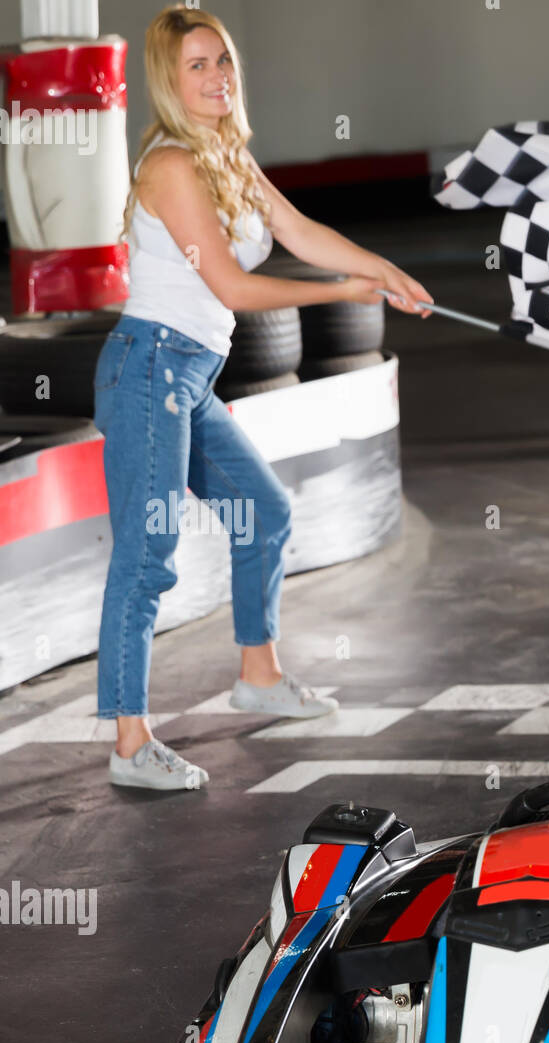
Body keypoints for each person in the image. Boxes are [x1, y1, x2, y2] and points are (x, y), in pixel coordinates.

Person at [95, 5, 432, 791]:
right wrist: (343, 290)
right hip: (149, 369)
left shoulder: (226, 157)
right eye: (197, 67)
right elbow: (235, 287)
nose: (217, 77)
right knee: (147, 559)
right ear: (168, 83)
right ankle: (129, 742)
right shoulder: (172, 165)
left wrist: (384, 273)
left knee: (266, 512)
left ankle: (258, 672)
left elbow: (301, 229)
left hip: (187, 378)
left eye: (223, 61)